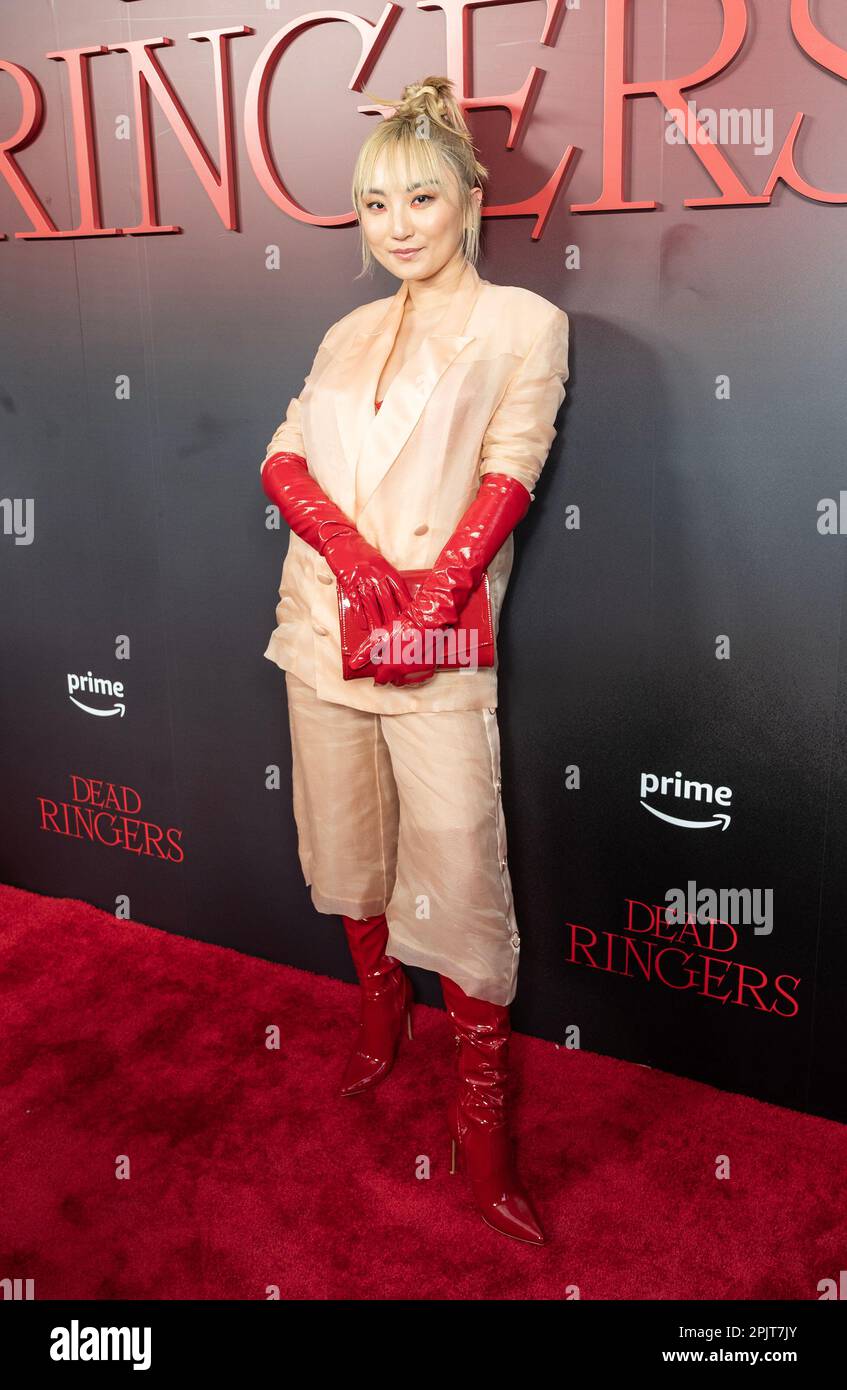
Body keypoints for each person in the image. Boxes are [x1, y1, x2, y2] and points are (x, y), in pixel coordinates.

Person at [259, 76, 569, 1245]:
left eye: (420, 196)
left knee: (460, 868)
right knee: (345, 844)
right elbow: (284, 454)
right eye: (374, 201)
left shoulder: (522, 325)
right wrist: (346, 556)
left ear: (469, 200)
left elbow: (514, 464)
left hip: (436, 649)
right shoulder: (344, 329)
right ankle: (378, 1008)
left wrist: (430, 592)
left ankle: (484, 1128)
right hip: (318, 629)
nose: (396, 223)